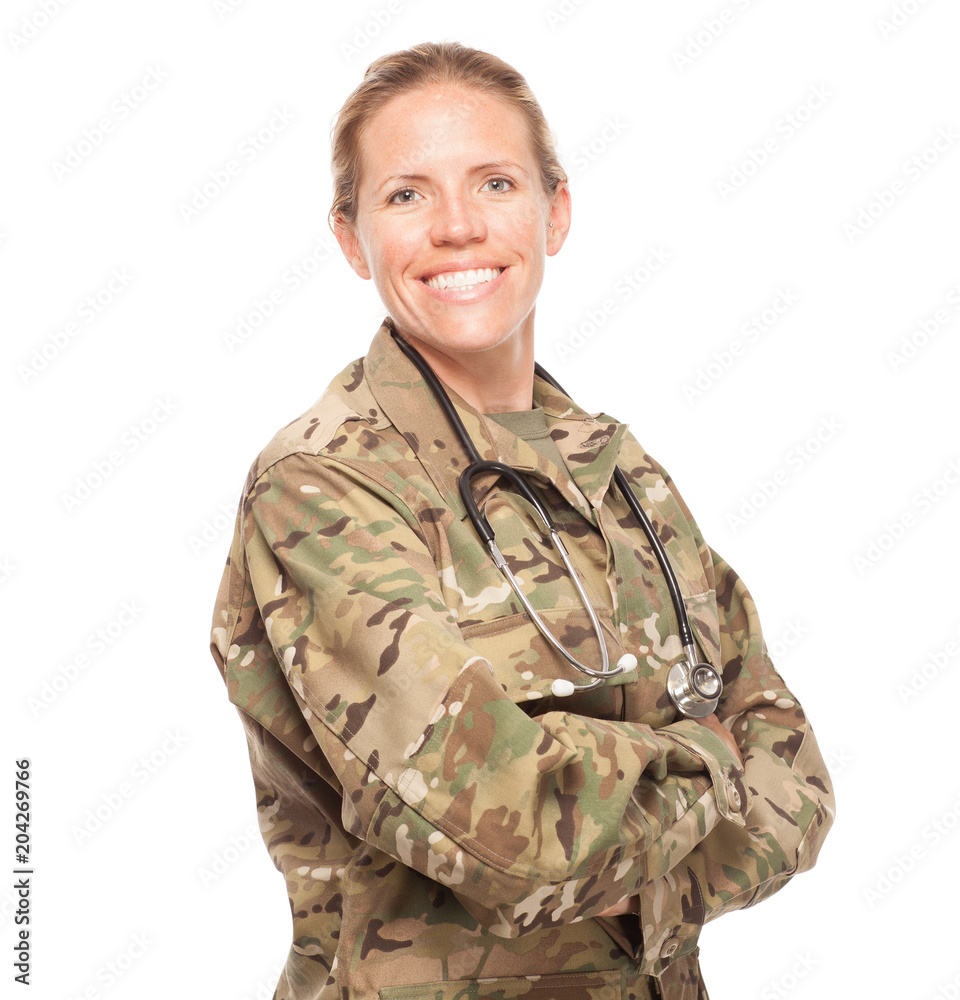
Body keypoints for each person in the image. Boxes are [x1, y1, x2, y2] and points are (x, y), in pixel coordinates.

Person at [209, 41, 835, 1000]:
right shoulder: (321, 489)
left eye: (495, 182)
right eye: (406, 195)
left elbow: (801, 789)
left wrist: (599, 802)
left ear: (557, 212)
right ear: (350, 236)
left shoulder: (626, 478)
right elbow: (508, 834)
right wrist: (711, 755)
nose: (457, 227)